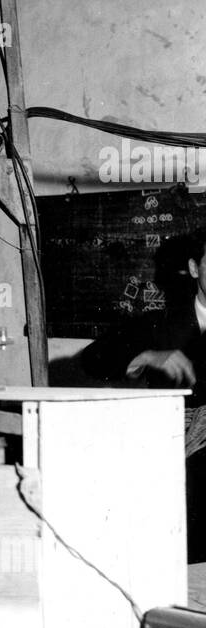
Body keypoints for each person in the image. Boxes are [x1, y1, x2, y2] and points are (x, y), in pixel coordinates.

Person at [82, 230, 206, 558]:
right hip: (175, 468)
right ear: (195, 269)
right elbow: (93, 358)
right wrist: (149, 355)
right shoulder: (160, 324)